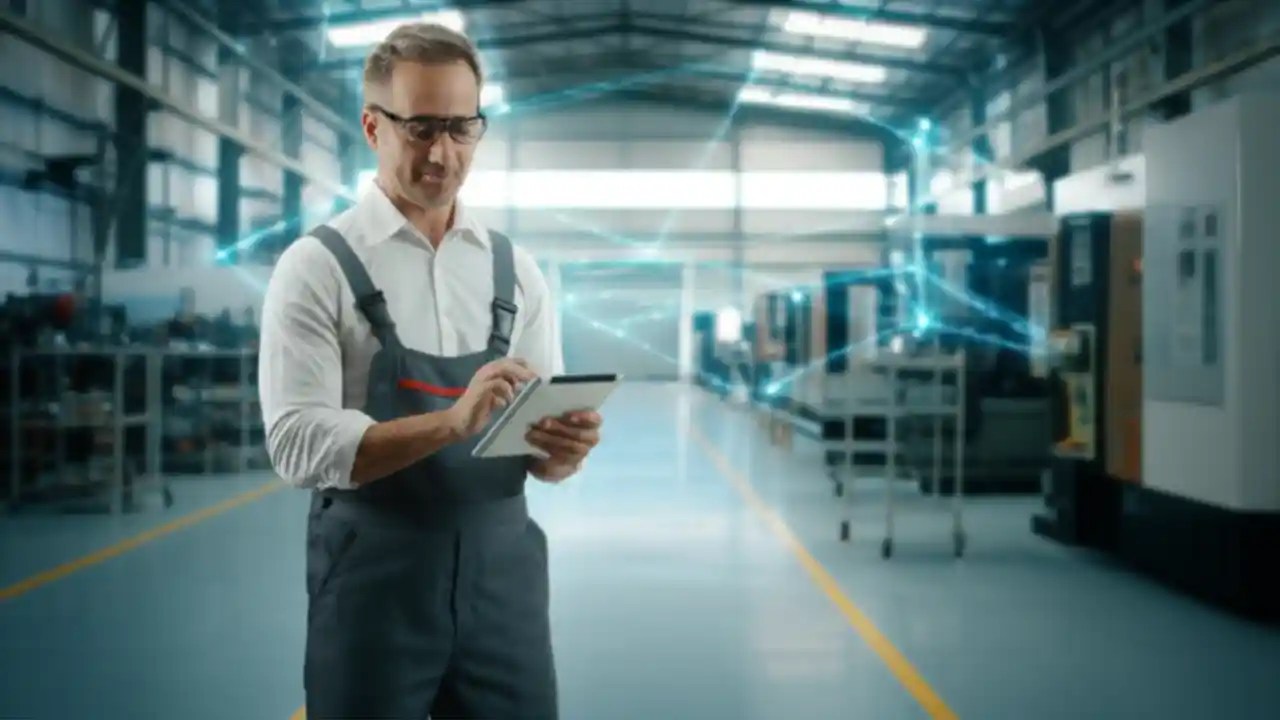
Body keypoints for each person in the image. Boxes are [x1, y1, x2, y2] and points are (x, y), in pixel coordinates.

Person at [257, 21, 603, 720]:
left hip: (503, 578)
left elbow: (541, 455)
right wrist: (451, 422)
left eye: (461, 128)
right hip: (373, 578)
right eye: (419, 128)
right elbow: (294, 443)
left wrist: (562, 453)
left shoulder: (516, 270)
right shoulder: (317, 267)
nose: (442, 154)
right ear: (373, 126)